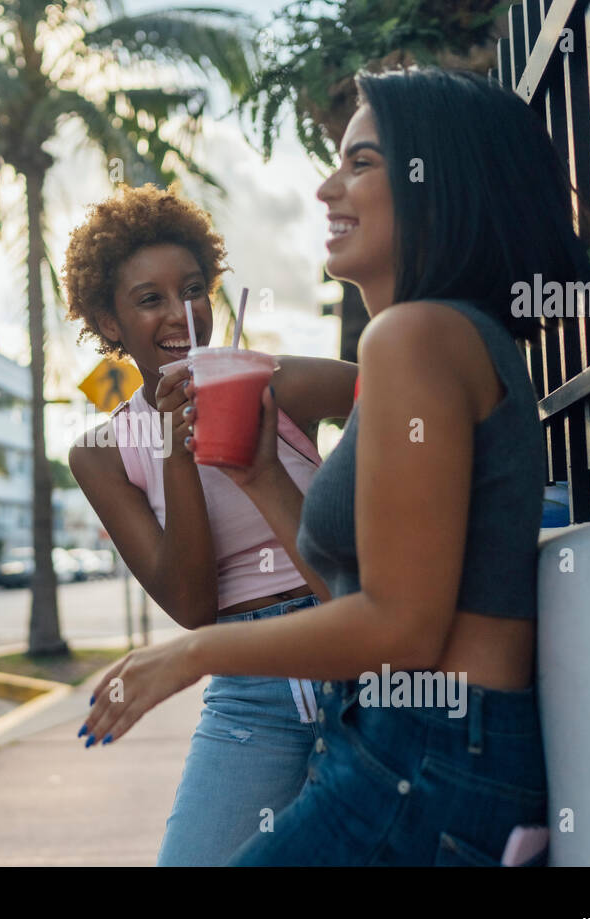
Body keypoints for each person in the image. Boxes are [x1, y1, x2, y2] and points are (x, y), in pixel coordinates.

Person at [79, 68, 590, 865]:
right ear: (110, 320)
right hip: (437, 748)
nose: (325, 189)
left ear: (440, 183)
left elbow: (400, 627)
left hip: (428, 758)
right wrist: (257, 474)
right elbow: (379, 597)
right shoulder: (448, 334)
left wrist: (186, 656)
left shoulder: (410, 339)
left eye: (361, 162)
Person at [64, 183, 357, 865]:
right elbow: (192, 605)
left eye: (194, 288)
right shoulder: (102, 453)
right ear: (110, 322)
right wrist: (173, 440)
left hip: (357, 651)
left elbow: (402, 396)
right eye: (150, 298)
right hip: (248, 689)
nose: (180, 312)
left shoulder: (275, 385)